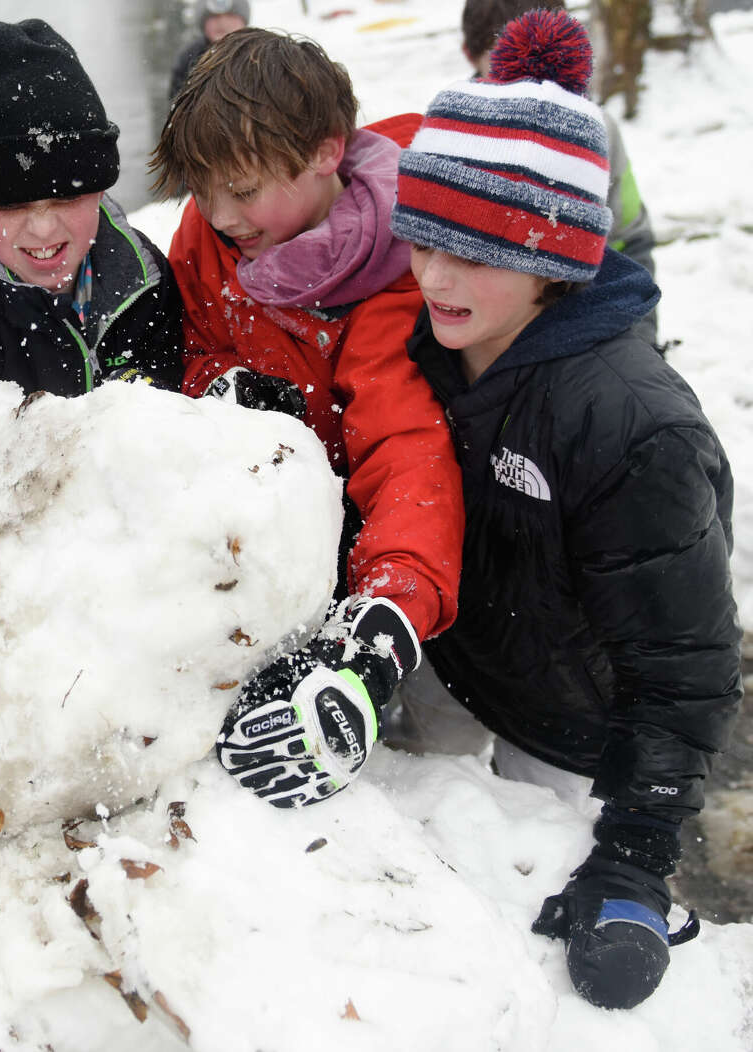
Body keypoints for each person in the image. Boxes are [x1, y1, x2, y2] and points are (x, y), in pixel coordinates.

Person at [389, 9, 741, 1010]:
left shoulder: (632, 428)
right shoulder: (434, 345)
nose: (438, 278)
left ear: (556, 256)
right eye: (426, 241)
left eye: (480, 251)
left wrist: (632, 853)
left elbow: (686, 672)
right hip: (463, 665)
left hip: (581, 734)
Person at [149, 28, 464, 810]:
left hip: (410, 553)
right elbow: (191, 342)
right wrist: (227, 385)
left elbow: (408, 449)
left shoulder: (400, 270)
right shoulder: (215, 233)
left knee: (442, 759)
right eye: (204, 189)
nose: (220, 216)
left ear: (326, 152)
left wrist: (380, 629)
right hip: (286, 556)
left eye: (244, 190)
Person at [0, 19, 184, 414]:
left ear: (100, 188)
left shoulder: (144, 285)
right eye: (11, 206)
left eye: (67, 199)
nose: (44, 229)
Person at [462, 0, 659, 344]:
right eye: (508, 72)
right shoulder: (451, 139)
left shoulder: (598, 132)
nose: (533, 94)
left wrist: (638, 342)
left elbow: (631, 242)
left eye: (545, 74)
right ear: (471, 55)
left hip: (584, 343)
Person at [168, 0, 251, 102]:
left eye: (230, 16)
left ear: (243, 21)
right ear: (203, 22)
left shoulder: (260, 55)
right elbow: (177, 102)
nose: (222, 23)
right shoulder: (189, 57)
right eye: (214, 17)